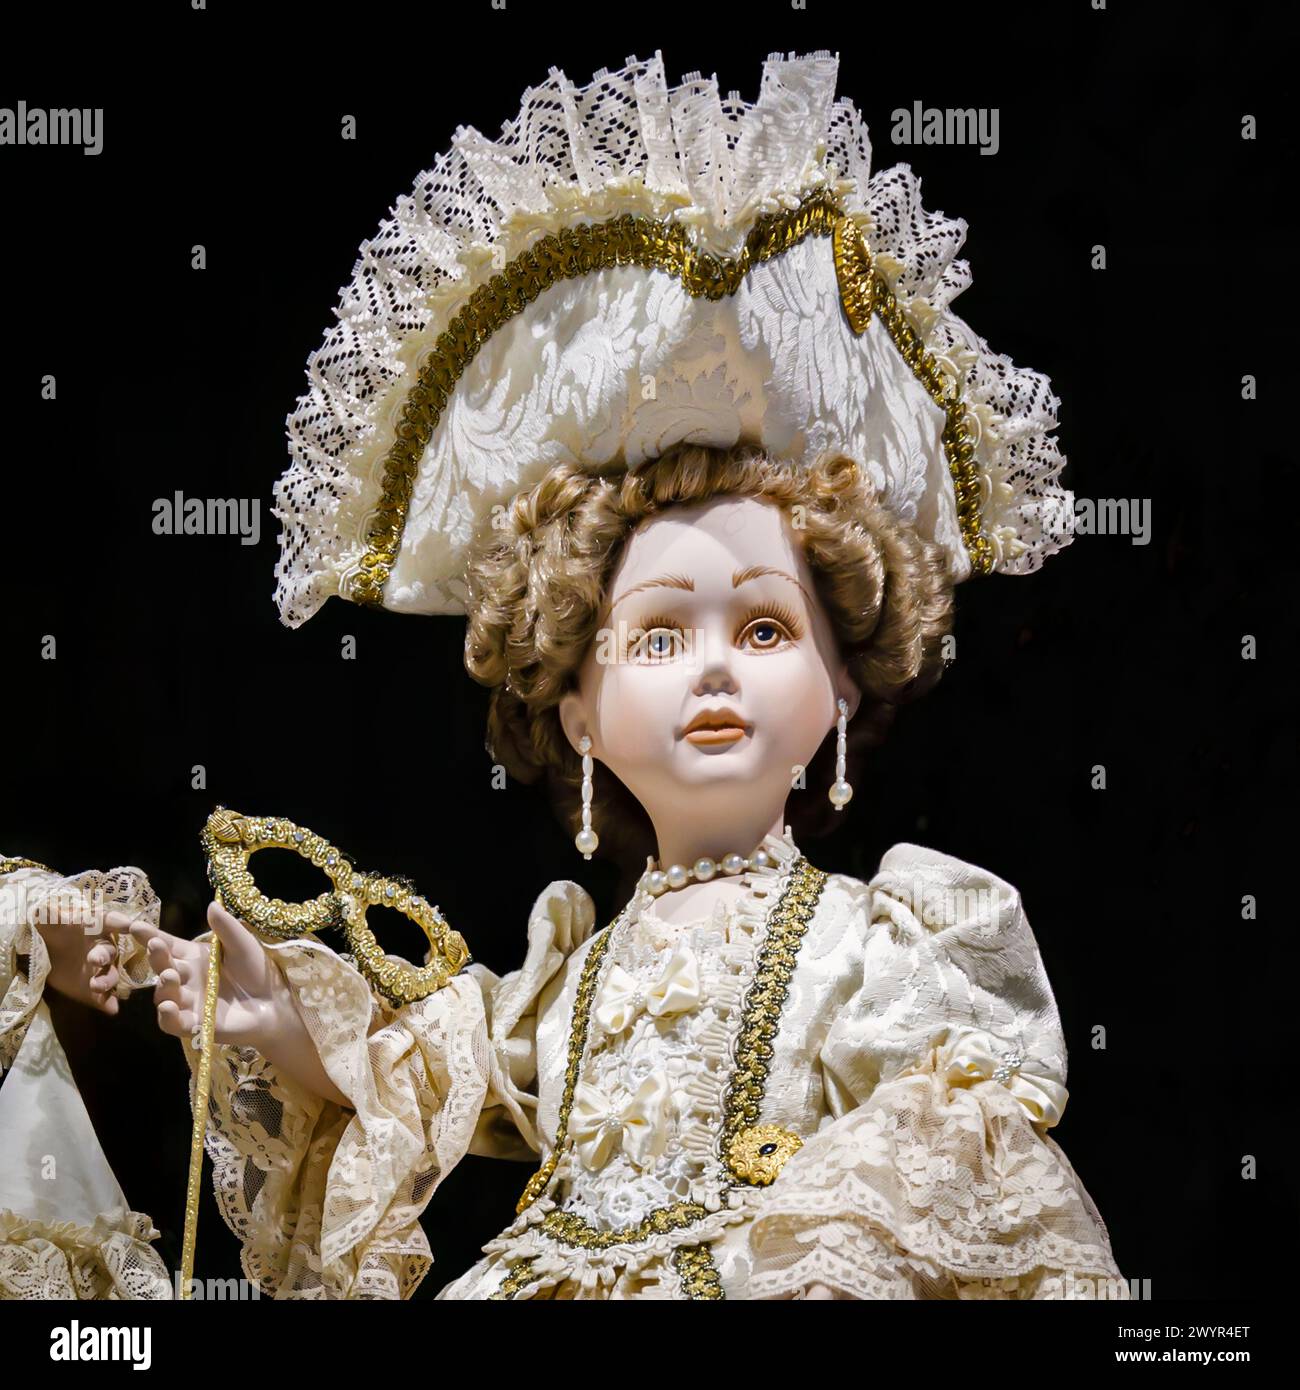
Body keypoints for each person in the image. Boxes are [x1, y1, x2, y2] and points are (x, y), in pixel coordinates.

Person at [1, 51, 1123, 1299]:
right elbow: (418, 1088)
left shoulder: (887, 943)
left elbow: (956, 1166)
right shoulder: (565, 984)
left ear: (842, 689)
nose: (712, 670)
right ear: (577, 709)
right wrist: (282, 1027)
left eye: (763, 630)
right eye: (655, 638)